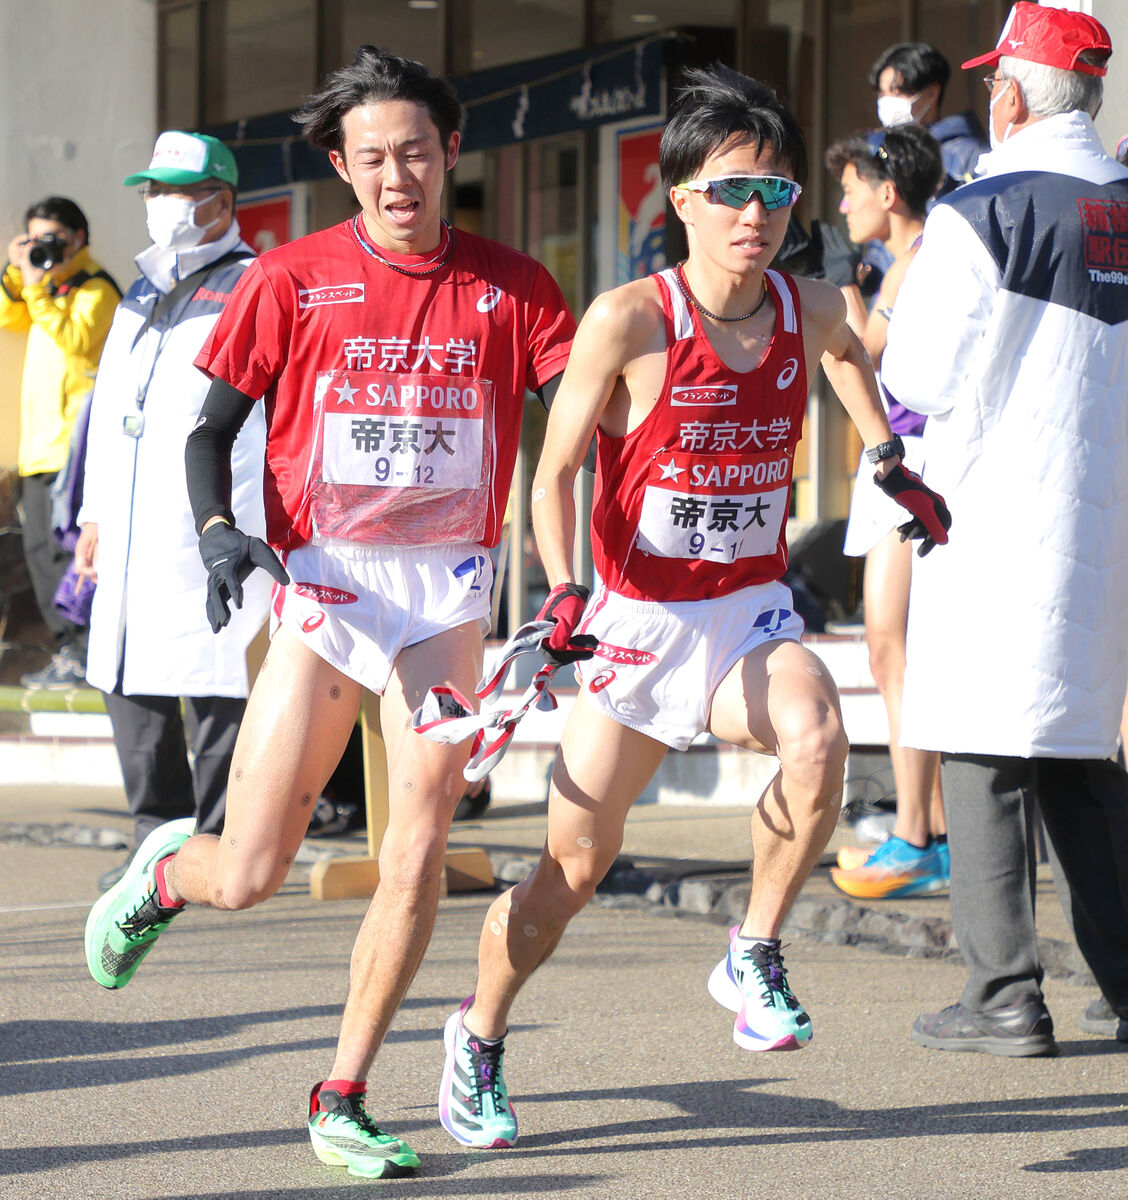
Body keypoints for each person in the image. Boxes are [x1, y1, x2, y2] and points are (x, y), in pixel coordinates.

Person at [435, 64, 950, 1151]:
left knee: (815, 735)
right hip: (632, 621)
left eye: (774, 194)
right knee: (569, 875)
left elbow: (852, 357)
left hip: (745, 612)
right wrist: (565, 586)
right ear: (681, 202)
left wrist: (891, 458)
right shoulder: (628, 319)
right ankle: (478, 1033)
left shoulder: (810, 305)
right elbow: (552, 473)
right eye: (730, 192)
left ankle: (752, 949)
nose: (754, 216)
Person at [83, 46, 575, 1179]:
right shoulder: (291, 278)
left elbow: (586, 425)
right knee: (251, 870)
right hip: (325, 589)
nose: (397, 177)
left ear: (454, 151)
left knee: (418, 850)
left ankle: (342, 1092)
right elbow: (207, 434)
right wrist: (218, 534)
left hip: (447, 593)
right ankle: (168, 873)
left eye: (415, 152)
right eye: (372, 159)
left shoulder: (514, 287)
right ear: (342, 170)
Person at [881, 2, 1128, 1056]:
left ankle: (1002, 997)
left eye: (992, 84)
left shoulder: (984, 206)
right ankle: (1123, 985)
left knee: (983, 746)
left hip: (997, 514)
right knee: (1077, 750)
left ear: (1014, 96)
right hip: (1102, 519)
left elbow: (920, 373)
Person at [76, 132, 269, 891]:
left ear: (223, 199)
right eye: (154, 191)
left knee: (220, 673)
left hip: (216, 510)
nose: (165, 206)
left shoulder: (255, 281)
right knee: (129, 674)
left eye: (180, 192)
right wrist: (92, 515)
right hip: (128, 520)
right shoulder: (142, 289)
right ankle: (150, 839)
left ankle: (213, 844)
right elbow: (110, 407)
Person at [821, 124, 949, 900]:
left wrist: (842, 284)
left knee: (895, 650)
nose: (842, 204)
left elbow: (857, 348)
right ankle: (923, 827)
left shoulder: (918, 258)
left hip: (913, 464)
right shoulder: (907, 257)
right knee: (889, 651)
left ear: (888, 192)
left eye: (851, 188)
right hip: (900, 464)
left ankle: (917, 838)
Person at [0, 197, 119, 688]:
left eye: (53, 240)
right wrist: (14, 271)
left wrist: (38, 290)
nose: (46, 250)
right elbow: (9, 319)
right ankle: (72, 649)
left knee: (73, 554)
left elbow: (77, 341)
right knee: (40, 554)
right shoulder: (44, 286)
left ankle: (86, 650)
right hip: (39, 447)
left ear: (79, 239)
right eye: (36, 240)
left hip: (76, 450)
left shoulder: (97, 287)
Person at [870, 42, 988, 192]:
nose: (886, 102)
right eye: (882, 93)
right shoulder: (877, 151)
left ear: (931, 93)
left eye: (897, 93)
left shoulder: (968, 156)